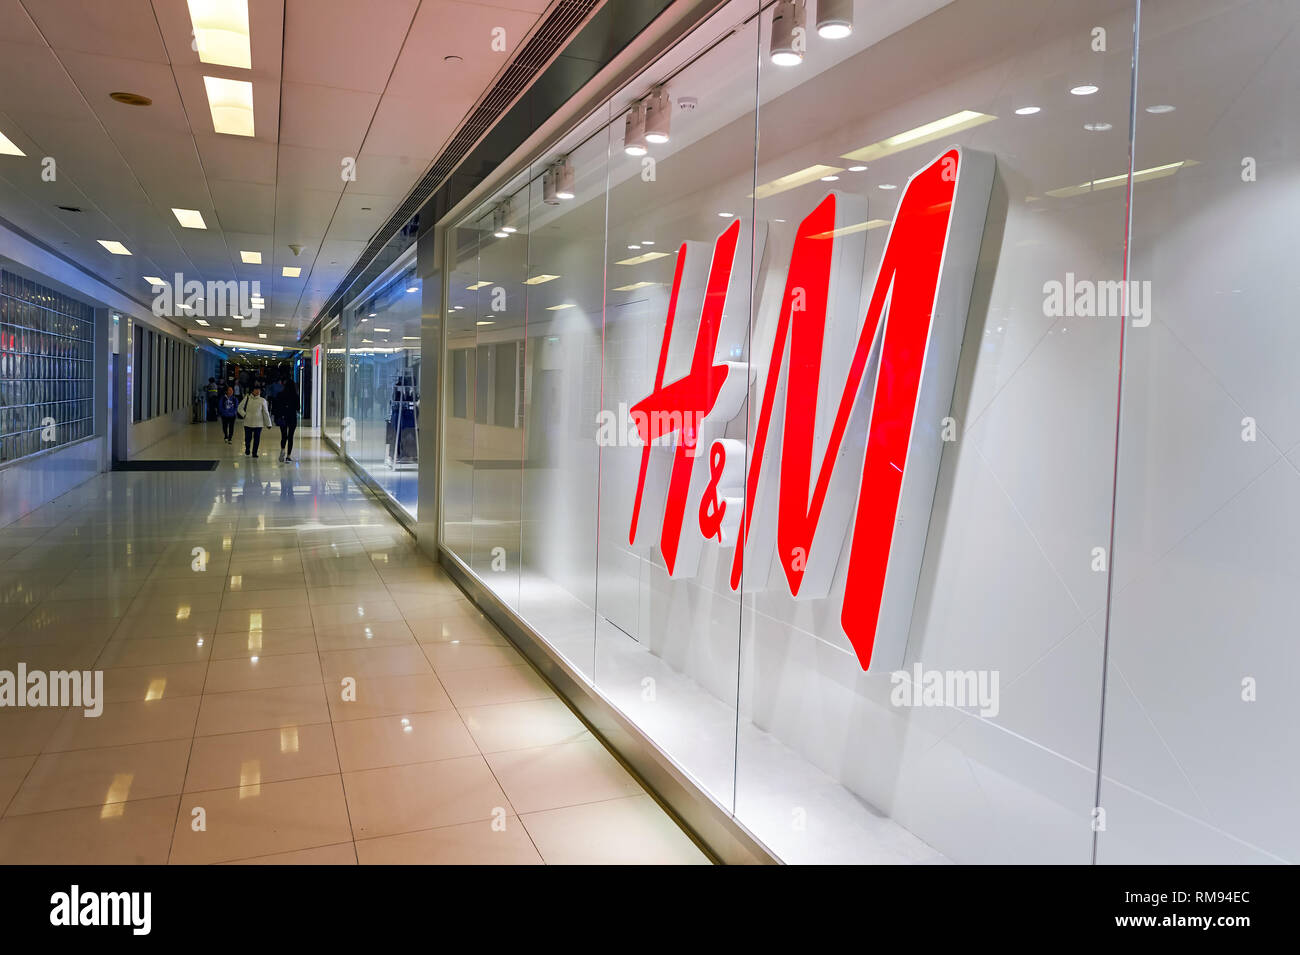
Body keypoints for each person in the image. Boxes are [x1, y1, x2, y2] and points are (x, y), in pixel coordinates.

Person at [237, 384, 273, 458]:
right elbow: (239, 408)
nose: (257, 391)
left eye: (259, 390)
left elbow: (265, 413)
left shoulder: (262, 400)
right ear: (252, 391)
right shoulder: (247, 398)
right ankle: (247, 449)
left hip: (258, 423)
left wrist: (268, 424)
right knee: (248, 438)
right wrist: (244, 415)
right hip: (248, 422)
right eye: (256, 389)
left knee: (257, 439)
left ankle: (254, 452)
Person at [271, 375, 300, 463]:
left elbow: (277, 407)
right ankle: (288, 456)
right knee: (290, 437)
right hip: (292, 418)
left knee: (284, 435)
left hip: (283, 418)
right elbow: (298, 408)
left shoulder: (280, 394)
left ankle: (283, 449)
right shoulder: (295, 396)